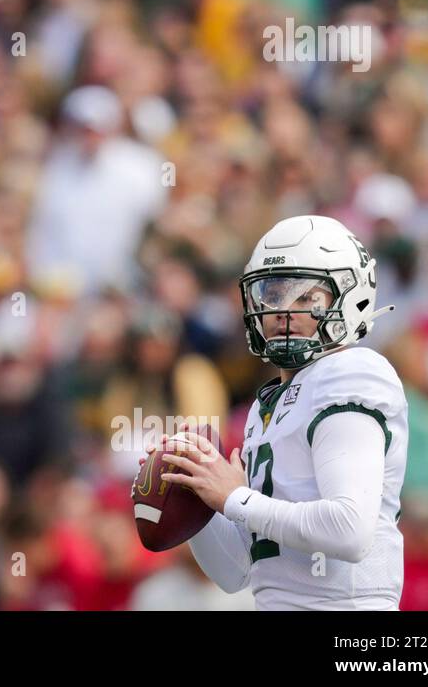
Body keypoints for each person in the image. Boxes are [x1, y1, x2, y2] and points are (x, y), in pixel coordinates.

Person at [161, 215, 408, 610]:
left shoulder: (350, 372)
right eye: (271, 294)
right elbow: (236, 573)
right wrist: (195, 496)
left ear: (352, 296)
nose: (281, 311)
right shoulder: (270, 401)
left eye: (305, 297)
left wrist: (236, 498)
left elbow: (349, 531)